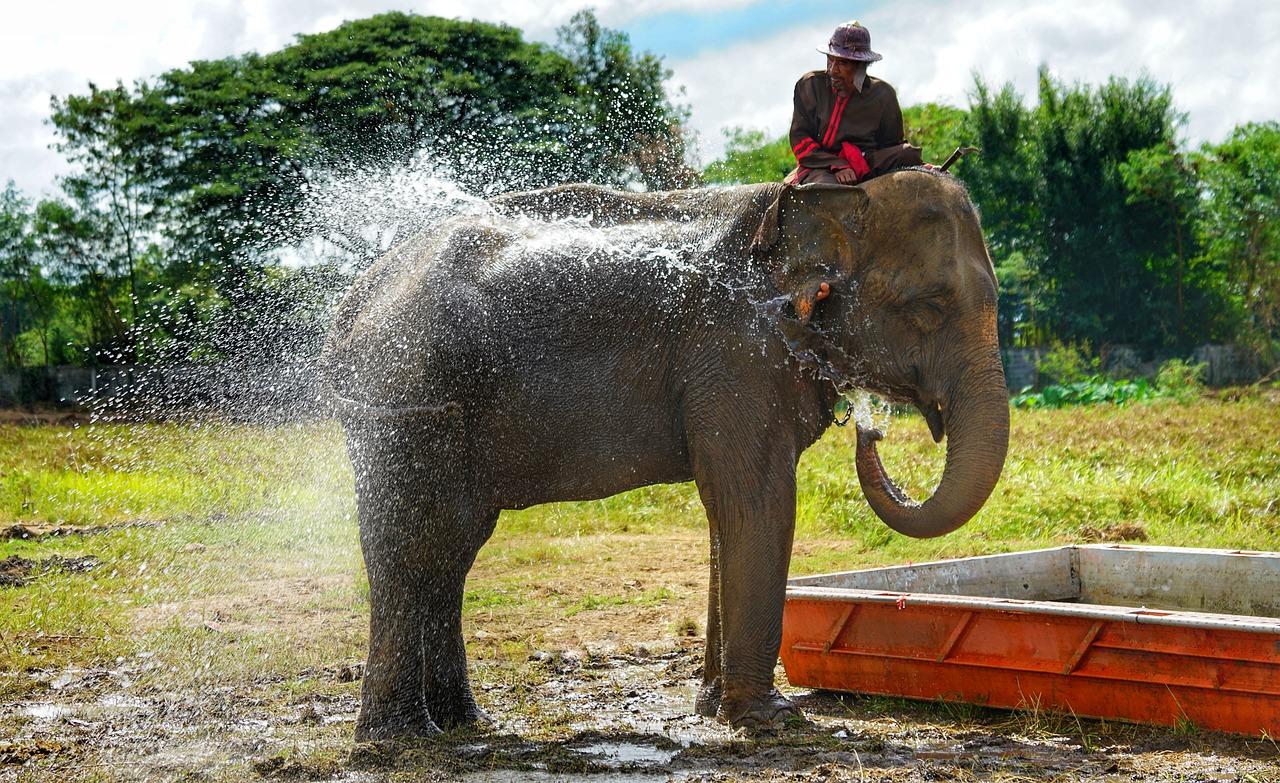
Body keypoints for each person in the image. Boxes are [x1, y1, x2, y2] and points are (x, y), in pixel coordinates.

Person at [784, 21, 923, 186]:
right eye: (830, 60)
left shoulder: (883, 95)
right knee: (828, 189)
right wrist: (838, 165)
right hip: (820, 166)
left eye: (843, 63)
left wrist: (856, 164)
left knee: (908, 153)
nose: (833, 69)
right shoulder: (810, 85)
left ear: (861, 67)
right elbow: (800, 139)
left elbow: (892, 145)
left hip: (866, 164)